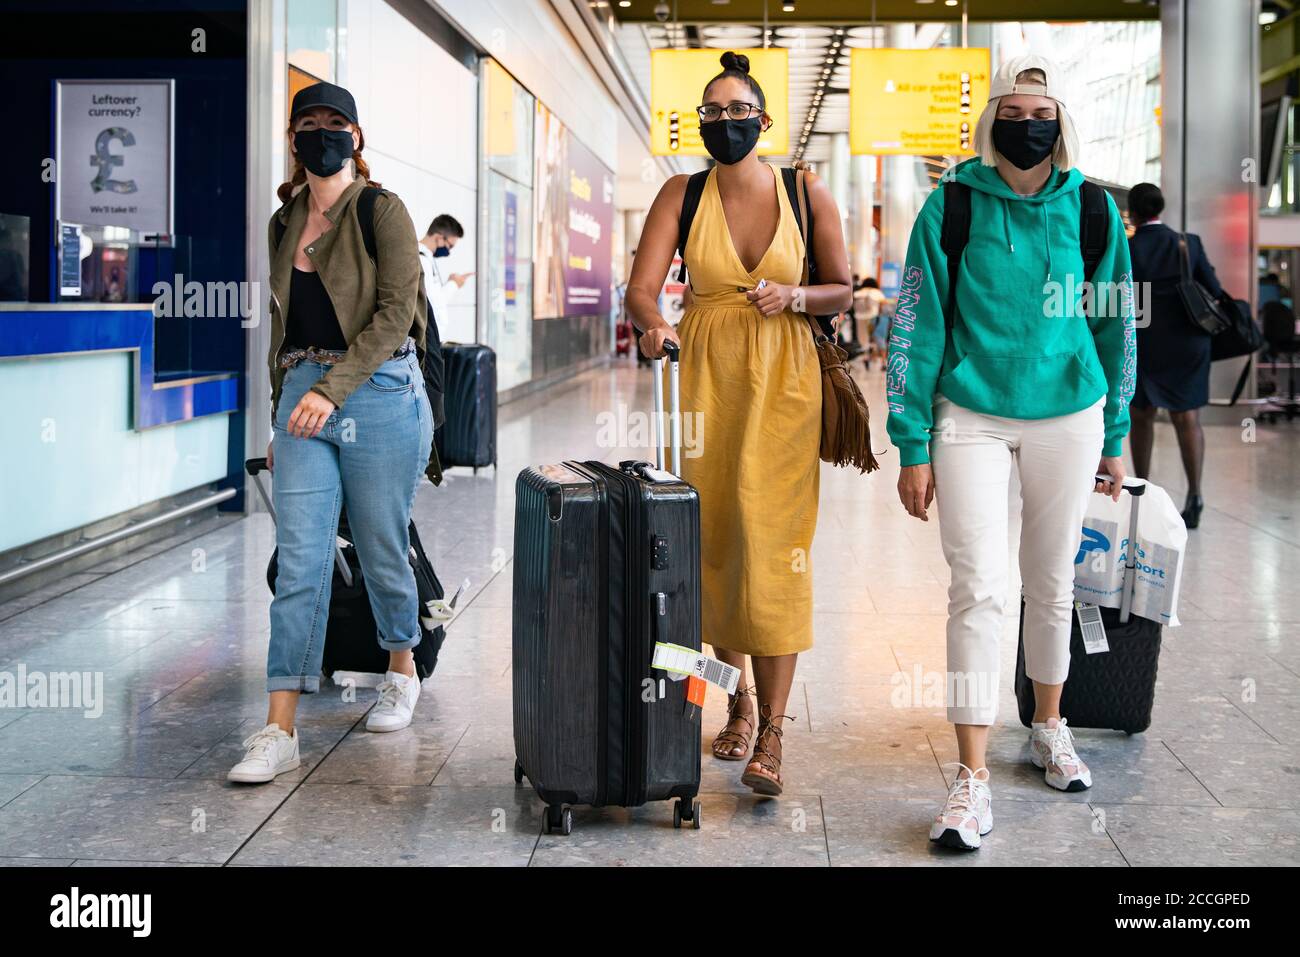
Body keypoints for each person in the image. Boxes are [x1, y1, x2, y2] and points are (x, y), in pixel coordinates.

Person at [886, 54, 1135, 850]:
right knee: (978, 587)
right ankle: (970, 775)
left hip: (1072, 415)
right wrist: (911, 442)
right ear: (992, 121)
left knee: (1052, 579)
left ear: (1061, 124)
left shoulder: (1094, 212)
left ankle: (1048, 725)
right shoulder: (951, 206)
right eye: (1014, 113)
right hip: (971, 415)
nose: (1029, 127)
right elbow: (916, 325)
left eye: (1043, 114)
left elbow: (1114, 326)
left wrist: (1119, 434)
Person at [625, 51, 852, 797]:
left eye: (738, 112)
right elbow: (641, 291)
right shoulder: (681, 194)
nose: (726, 123)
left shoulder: (803, 189)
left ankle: (776, 729)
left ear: (764, 119)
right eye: (712, 113)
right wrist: (655, 325)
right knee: (716, 541)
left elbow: (841, 291)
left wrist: (796, 294)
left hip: (786, 382)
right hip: (709, 379)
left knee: (776, 544)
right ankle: (736, 696)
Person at [229, 81, 434, 784]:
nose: (321, 133)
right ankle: (279, 726)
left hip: (377, 391)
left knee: (381, 545)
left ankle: (402, 665)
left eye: (334, 122)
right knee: (300, 560)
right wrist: (281, 415)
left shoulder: (383, 209)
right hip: (302, 395)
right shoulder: (283, 219)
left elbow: (394, 314)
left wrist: (326, 390)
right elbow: (281, 330)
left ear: (357, 137)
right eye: (308, 123)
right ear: (293, 140)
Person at [1126, 182, 1225, 529]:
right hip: (1188, 343)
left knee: (1141, 416)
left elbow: (1120, 301)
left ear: (1133, 213)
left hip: (1145, 342)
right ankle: (1195, 496)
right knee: (1188, 420)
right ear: (1160, 209)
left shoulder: (1128, 247)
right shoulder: (1188, 244)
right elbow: (1214, 291)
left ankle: (1141, 493)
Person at [418, 213, 472, 326]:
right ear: (439, 237)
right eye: (450, 246)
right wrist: (454, 284)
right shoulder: (421, 259)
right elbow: (432, 303)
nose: (449, 251)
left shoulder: (427, 258)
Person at [854, 277, 887, 365]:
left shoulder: (858, 293)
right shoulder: (877, 292)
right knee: (877, 337)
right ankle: (879, 359)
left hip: (859, 318)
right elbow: (882, 304)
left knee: (863, 337)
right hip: (873, 317)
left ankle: (866, 356)